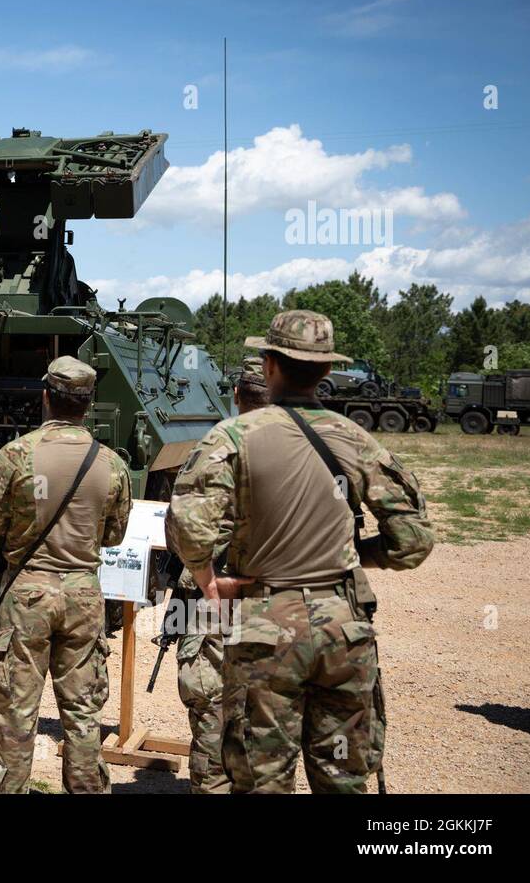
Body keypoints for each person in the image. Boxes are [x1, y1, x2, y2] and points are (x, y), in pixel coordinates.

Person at [165, 311, 434, 793]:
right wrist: (355, 556)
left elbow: (188, 526)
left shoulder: (231, 438)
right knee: (343, 778)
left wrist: (207, 581)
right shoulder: (355, 439)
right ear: (327, 371)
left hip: (264, 627)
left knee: (261, 777)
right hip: (344, 626)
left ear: (269, 365)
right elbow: (412, 541)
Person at [0, 356, 132, 793]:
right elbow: (115, 535)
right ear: (89, 402)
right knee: (82, 713)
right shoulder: (111, 463)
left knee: (17, 710)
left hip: (27, 594)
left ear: (46, 397)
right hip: (83, 594)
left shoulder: (16, 454)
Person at [173, 355, 268, 794]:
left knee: (211, 704)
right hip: (289, 609)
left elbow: (182, 525)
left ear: (235, 395)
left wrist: (203, 575)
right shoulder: (316, 448)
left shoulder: (216, 447)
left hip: (223, 599)